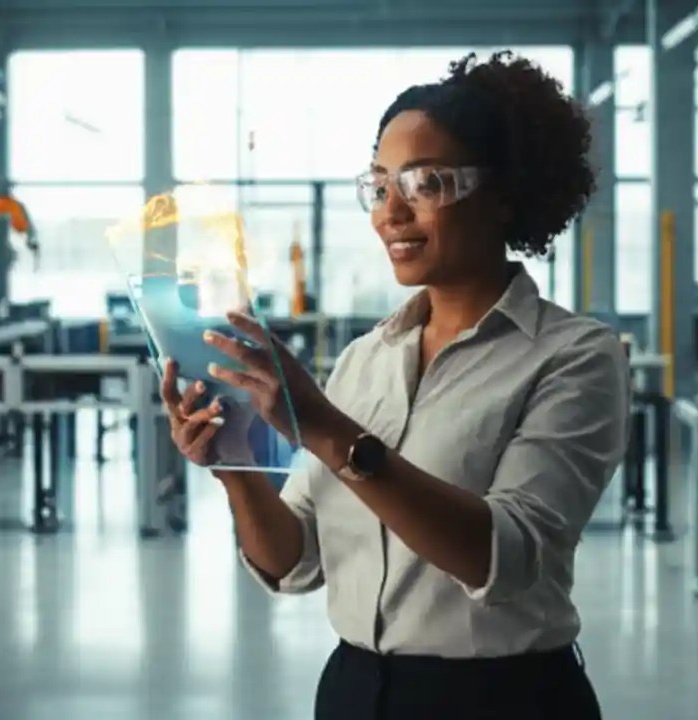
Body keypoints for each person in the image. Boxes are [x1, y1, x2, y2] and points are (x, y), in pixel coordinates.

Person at [160, 50, 630, 720]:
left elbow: (505, 553)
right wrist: (230, 464)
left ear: (501, 197)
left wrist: (323, 428)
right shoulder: (366, 358)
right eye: (380, 186)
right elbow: (294, 560)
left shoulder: (574, 358)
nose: (392, 213)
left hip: (503, 700)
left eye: (425, 184)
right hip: (355, 691)